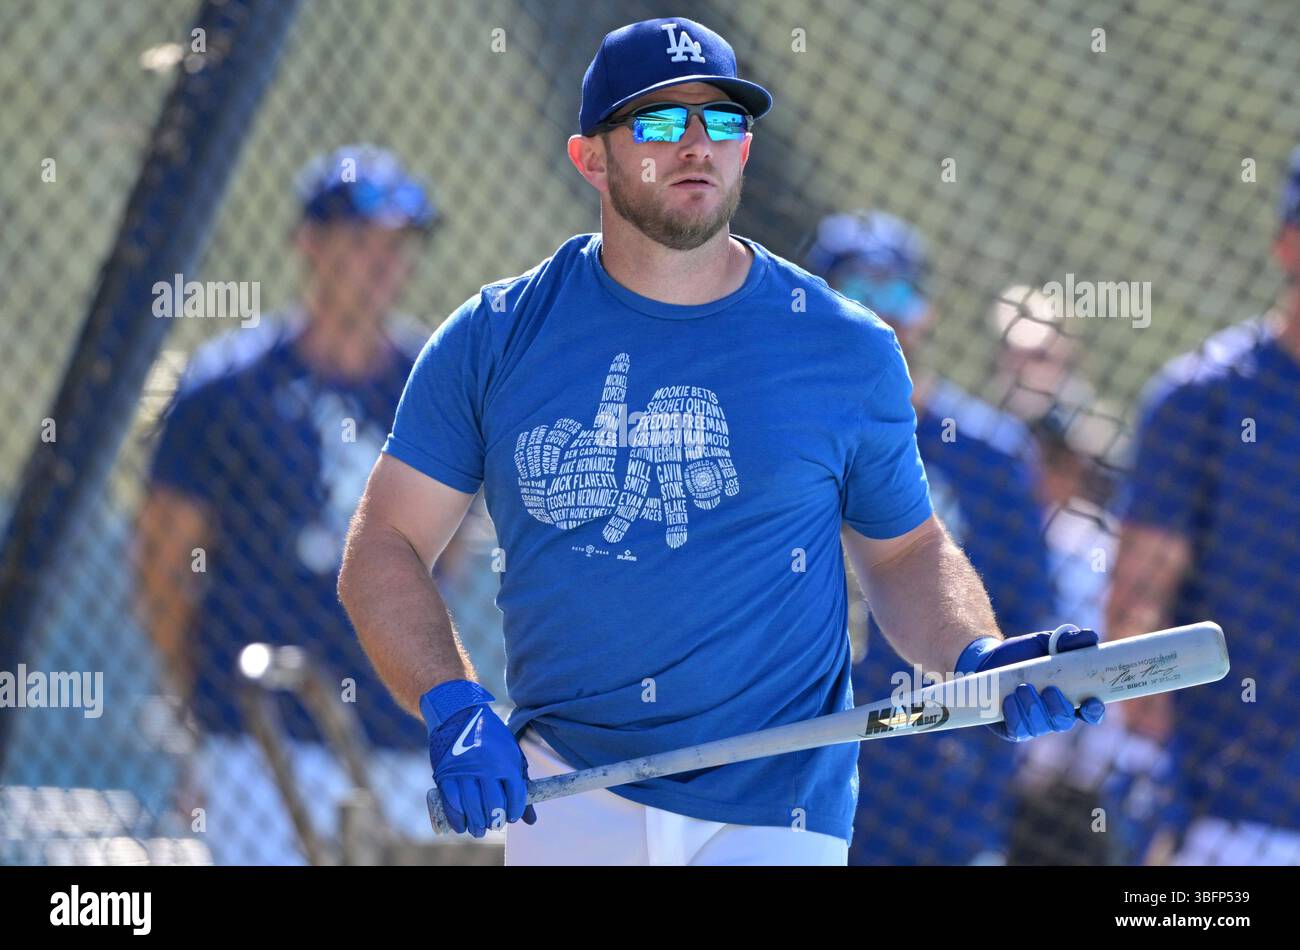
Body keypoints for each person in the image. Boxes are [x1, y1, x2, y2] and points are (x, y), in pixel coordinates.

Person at [339, 16, 1104, 867]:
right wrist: (452, 701)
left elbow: (903, 554)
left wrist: (979, 655)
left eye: (724, 121)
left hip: (778, 812)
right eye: (660, 122)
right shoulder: (494, 336)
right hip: (567, 791)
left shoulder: (844, 344)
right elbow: (386, 543)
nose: (697, 143)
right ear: (590, 157)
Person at [135, 145, 481, 865]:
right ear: (307, 244)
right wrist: (203, 706)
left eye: (400, 245)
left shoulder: (431, 386)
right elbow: (164, 568)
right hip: (259, 733)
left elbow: (446, 553)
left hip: (399, 728)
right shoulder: (222, 391)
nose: (384, 263)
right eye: (361, 242)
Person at [805, 212, 1055, 864]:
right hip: (805, 791)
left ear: (929, 309)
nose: (882, 319)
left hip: (949, 797)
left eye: (897, 295)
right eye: (856, 296)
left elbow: (1027, 612)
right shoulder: (783, 452)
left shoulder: (989, 455)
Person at [1107, 146, 1300, 865]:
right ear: (1286, 241)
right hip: (1230, 825)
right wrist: (1156, 772)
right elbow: (1134, 615)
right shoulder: (1207, 401)